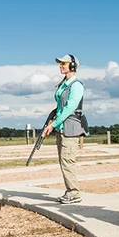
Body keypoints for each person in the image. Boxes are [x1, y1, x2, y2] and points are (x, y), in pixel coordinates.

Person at [42, 54, 88, 204]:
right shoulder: (64, 84)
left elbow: (69, 109)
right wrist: (52, 119)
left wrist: (52, 125)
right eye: (60, 63)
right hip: (62, 127)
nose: (61, 65)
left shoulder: (76, 85)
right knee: (64, 161)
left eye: (64, 63)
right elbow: (60, 108)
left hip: (71, 128)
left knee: (68, 161)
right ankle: (70, 190)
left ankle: (74, 193)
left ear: (72, 66)